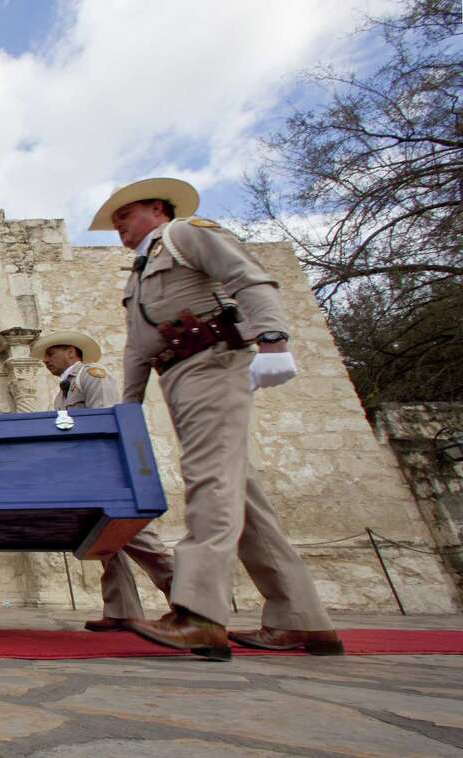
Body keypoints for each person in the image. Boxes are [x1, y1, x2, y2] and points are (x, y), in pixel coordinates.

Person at [88, 177, 342, 660]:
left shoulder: (184, 235)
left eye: (125, 215)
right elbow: (138, 346)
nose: (118, 226)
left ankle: (199, 613)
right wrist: (129, 405)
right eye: (114, 221)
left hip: (213, 360)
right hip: (179, 373)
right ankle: (302, 618)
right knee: (241, 492)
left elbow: (248, 276)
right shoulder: (138, 272)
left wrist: (273, 340)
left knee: (208, 479)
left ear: (157, 209)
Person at [31, 330, 174, 632]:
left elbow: (106, 421)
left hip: (106, 471)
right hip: (86, 473)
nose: (45, 360)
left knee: (139, 540)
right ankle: (121, 610)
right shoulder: (63, 391)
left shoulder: (92, 376)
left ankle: (192, 604)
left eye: (51, 353)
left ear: (71, 352)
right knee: (107, 544)